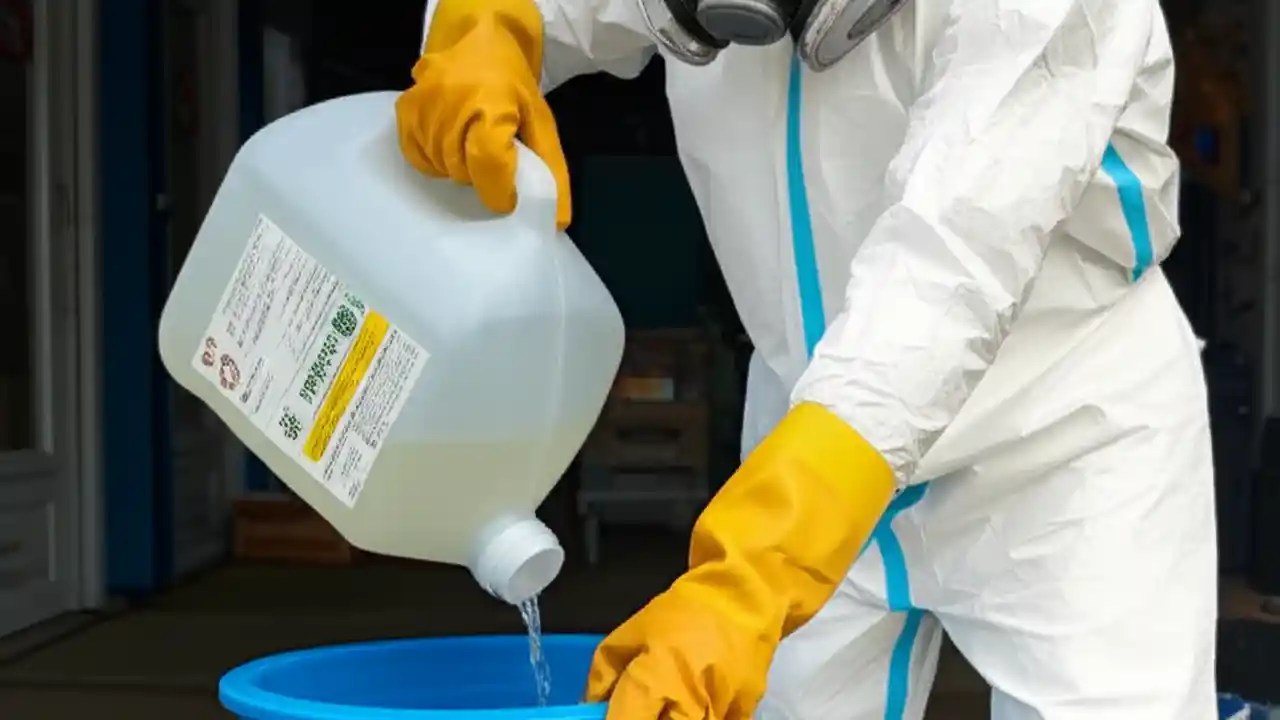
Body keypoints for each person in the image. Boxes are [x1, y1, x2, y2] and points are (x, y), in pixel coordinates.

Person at [396, 0, 1217, 717]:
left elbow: (947, 274)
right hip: (801, 423)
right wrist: (488, 26)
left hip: (1059, 442)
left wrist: (752, 575)